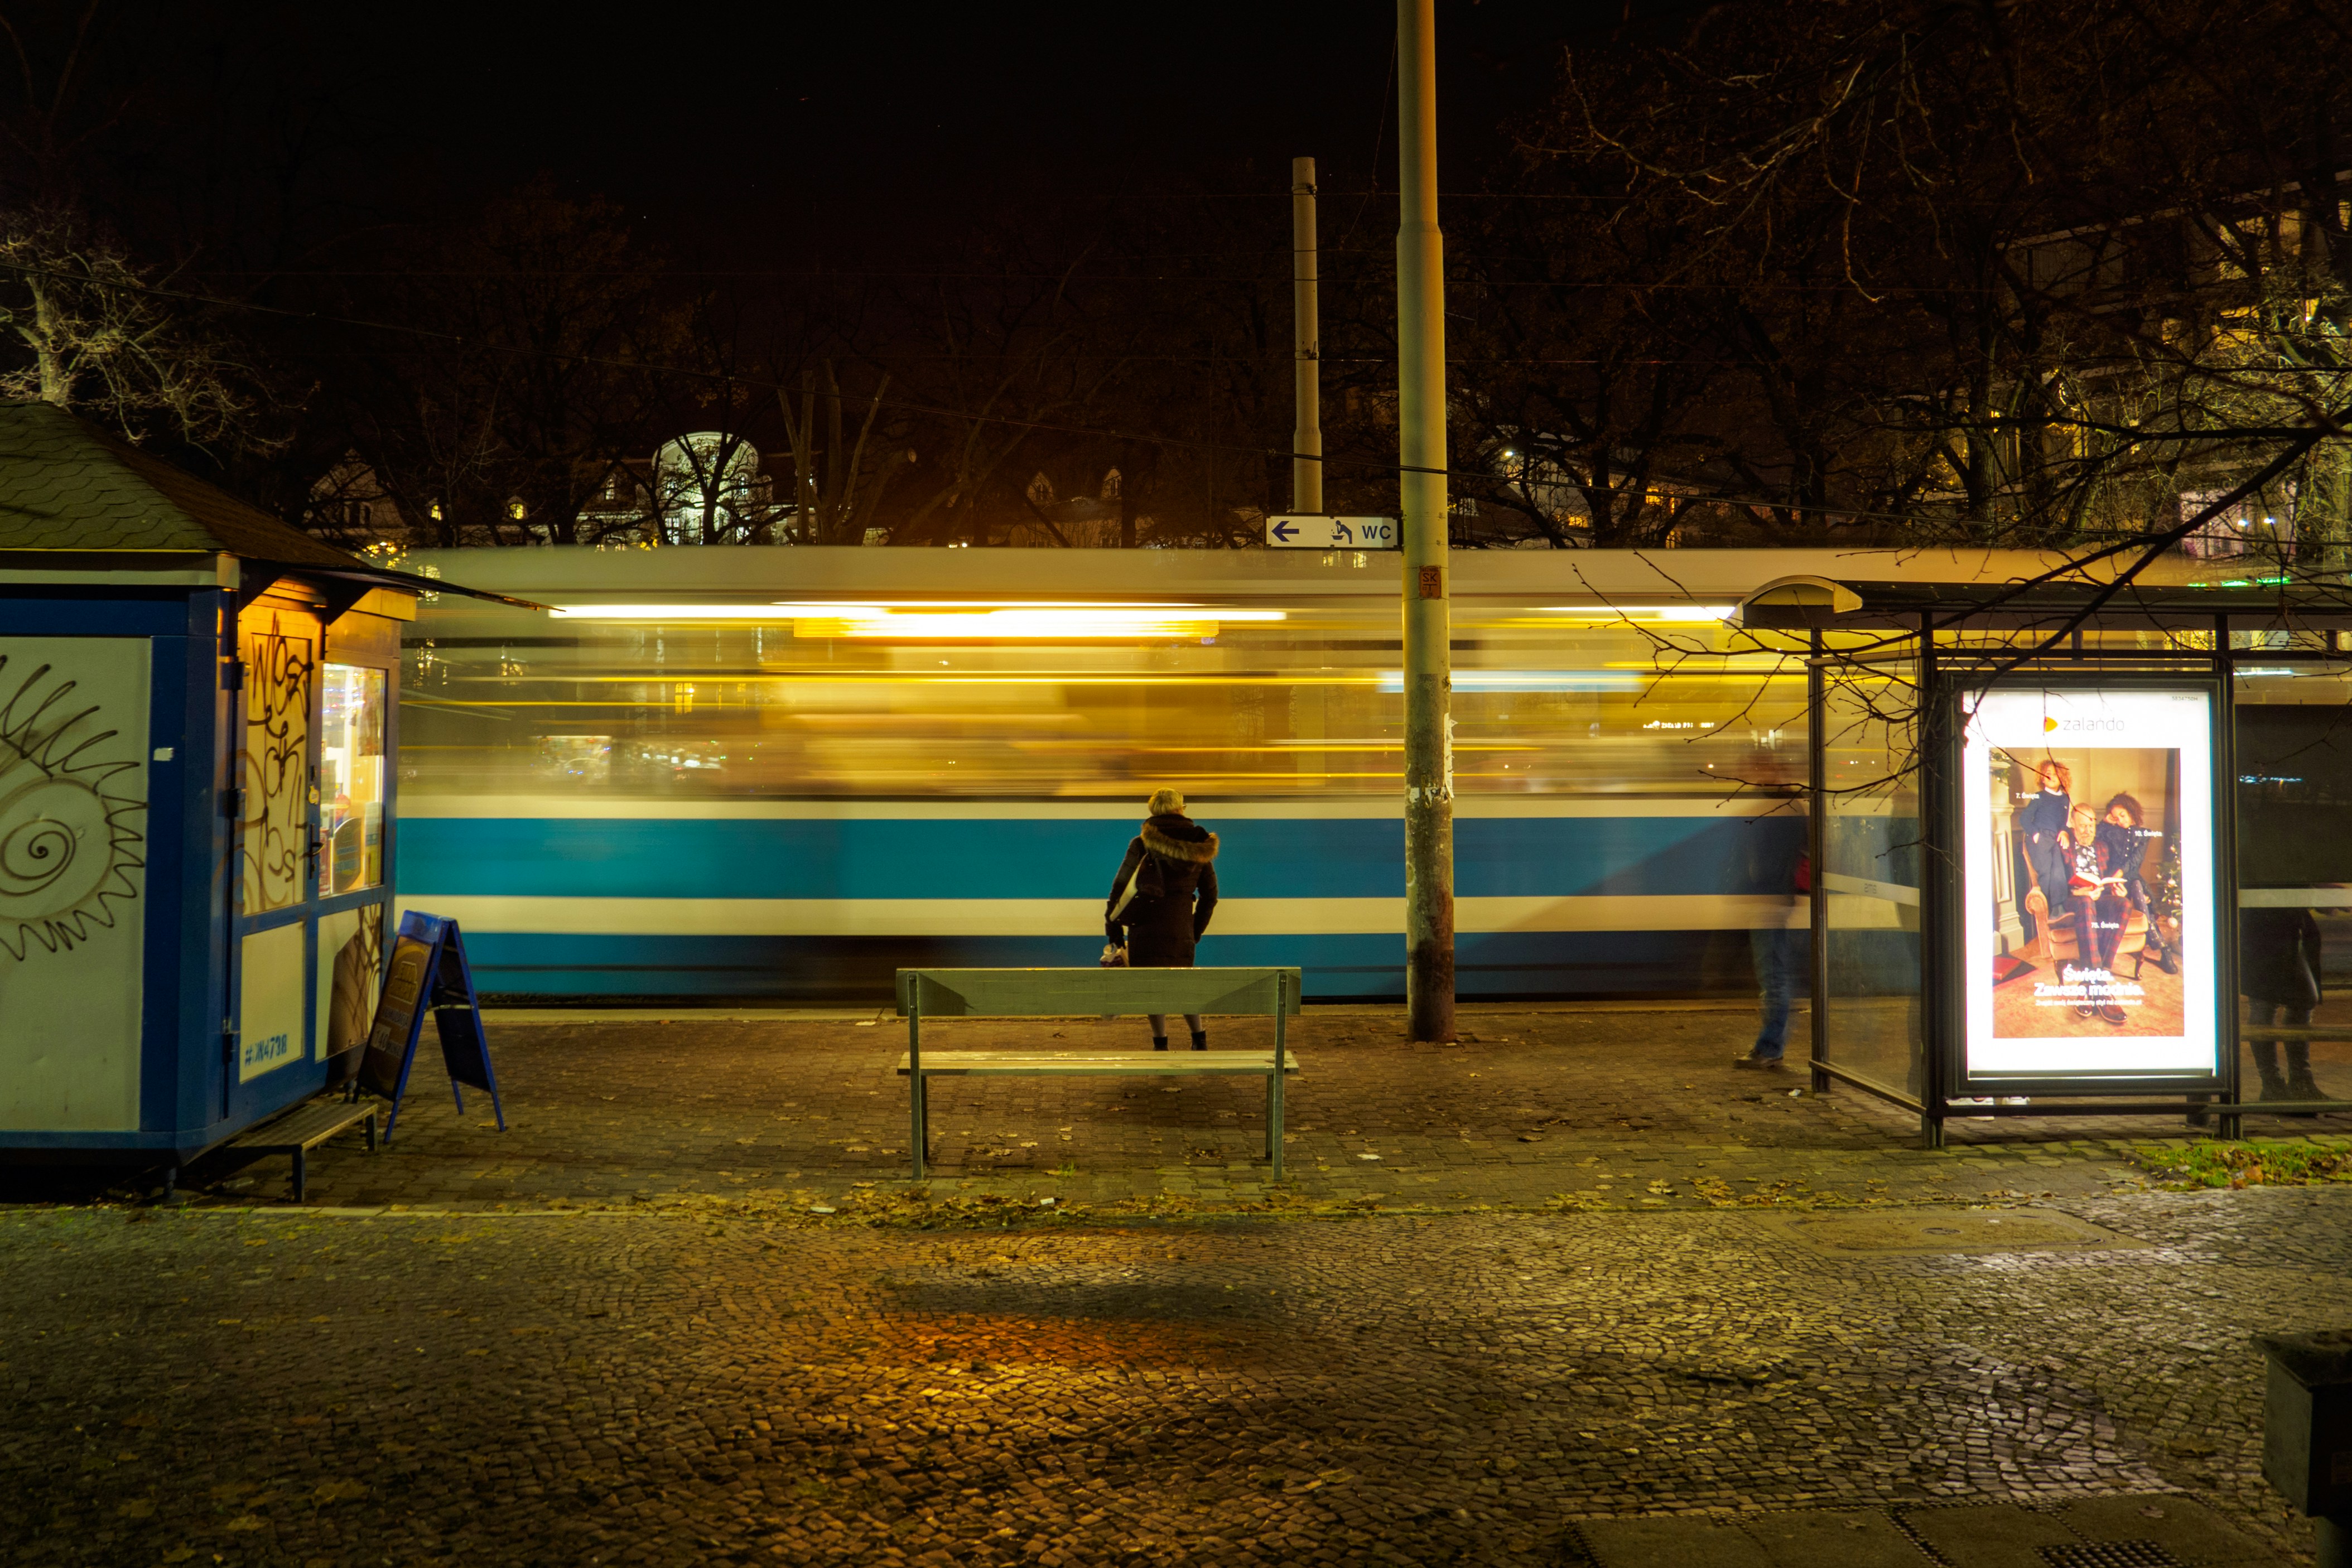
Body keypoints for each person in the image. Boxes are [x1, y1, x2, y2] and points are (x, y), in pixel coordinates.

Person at [1104, 787, 1221, 1050]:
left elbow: (1120, 887)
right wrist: (1195, 930)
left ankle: (1160, 1044)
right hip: (1181, 929)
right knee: (1183, 984)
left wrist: (1113, 929)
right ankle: (1199, 1040)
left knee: (1151, 986)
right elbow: (1210, 895)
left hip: (1144, 927)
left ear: (1153, 811)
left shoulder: (1141, 844)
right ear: (1180, 809)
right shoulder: (1199, 846)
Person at [1734, 817, 1809, 1070]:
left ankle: (1770, 1047)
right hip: (1770, 900)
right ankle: (1772, 1045)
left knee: (1774, 976)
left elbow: (1770, 864)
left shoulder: (1783, 812)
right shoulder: (1781, 810)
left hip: (1772, 902)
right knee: (1775, 974)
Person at [2241, 905, 2324, 1104]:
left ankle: (2294, 1082)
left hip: (2281, 923)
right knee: (2265, 1003)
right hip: (2263, 925)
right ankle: (2276, 1084)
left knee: (2298, 999)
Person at [2098, 793, 2177, 976]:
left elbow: (2136, 861)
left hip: (2131, 877)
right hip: (2113, 882)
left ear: (2132, 811)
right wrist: (2105, 822)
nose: (2120, 821)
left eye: (2122, 815)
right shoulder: (2111, 830)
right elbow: (2096, 835)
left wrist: (2120, 873)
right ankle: (2164, 950)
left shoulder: (2144, 834)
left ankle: (2161, 947)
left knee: (2136, 886)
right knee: (2138, 889)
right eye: (2116, 817)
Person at [2063, 803, 2128, 1025]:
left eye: (2091, 825)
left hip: (2100, 897)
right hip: (2077, 900)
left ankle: (2089, 983)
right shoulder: (2064, 847)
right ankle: (2101, 988)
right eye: (2082, 825)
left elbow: (2108, 877)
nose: (2087, 830)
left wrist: (2117, 888)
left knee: (2125, 904)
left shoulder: (2102, 847)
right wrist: (2077, 891)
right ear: (2072, 825)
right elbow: (2056, 884)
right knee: (2085, 902)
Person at [2013, 760, 2073, 951]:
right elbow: (2024, 818)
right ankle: (2049, 911)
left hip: (2056, 838)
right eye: (2047, 773)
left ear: (2062, 778)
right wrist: (2035, 834)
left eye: (2054, 774)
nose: (2050, 777)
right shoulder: (2039, 797)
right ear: (2042, 777)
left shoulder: (2065, 799)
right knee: (2045, 871)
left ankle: (2059, 908)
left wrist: (2064, 831)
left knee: (2059, 870)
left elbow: (2064, 822)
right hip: (2040, 838)